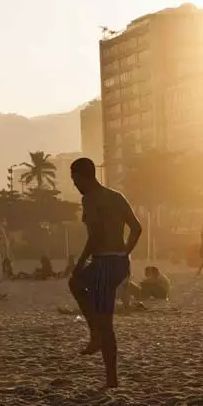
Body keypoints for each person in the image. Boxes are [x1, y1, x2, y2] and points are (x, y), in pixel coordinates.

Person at [67, 157, 142, 389]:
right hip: (118, 263)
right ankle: (96, 335)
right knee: (77, 285)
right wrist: (124, 253)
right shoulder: (116, 196)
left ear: (84, 177)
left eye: (75, 179)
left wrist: (80, 263)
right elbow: (137, 228)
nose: (74, 185)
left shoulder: (90, 199)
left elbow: (96, 236)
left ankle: (110, 376)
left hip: (104, 264)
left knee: (104, 321)